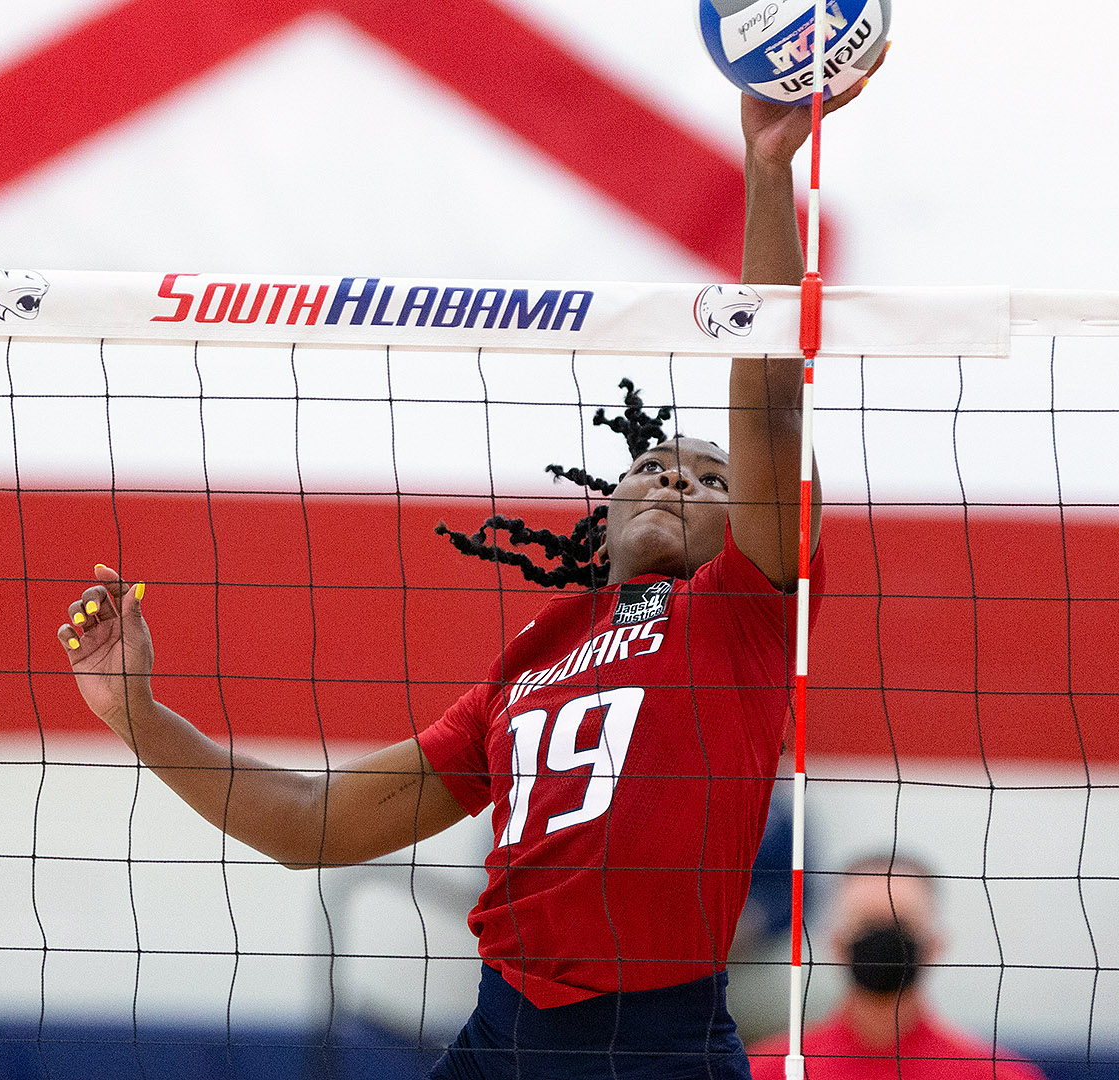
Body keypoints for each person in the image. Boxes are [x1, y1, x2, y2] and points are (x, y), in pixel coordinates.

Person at [57, 66, 884, 1079]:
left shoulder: (745, 610)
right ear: (607, 513)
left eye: (708, 475)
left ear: (745, 517)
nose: (674, 474)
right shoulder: (531, 661)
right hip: (501, 1039)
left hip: (658, 1047)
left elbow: (769, 403)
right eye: (650, 465)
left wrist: (765, 172)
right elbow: (314, 823)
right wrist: (138, 715)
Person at [747, 855, 1046, 1080]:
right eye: (867, 924)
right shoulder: (770, 1070)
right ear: (836, 944)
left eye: (901, 924)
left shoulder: (998, 1075)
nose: (884, 939)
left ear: (934, 945)